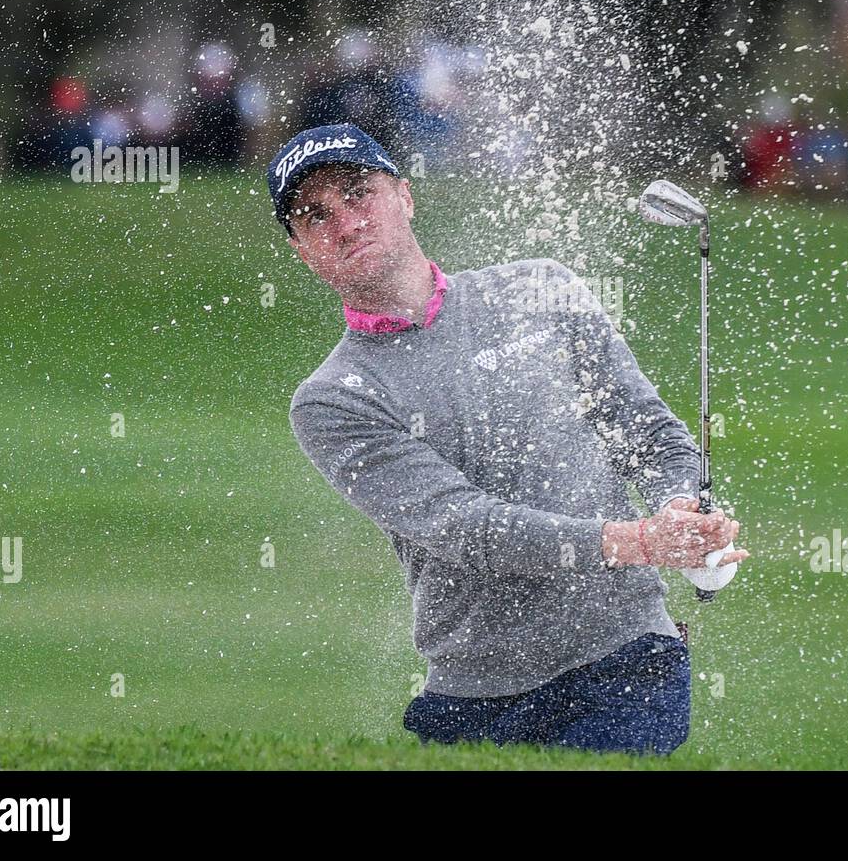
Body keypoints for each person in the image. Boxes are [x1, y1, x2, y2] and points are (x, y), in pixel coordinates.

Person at [270, 123, 748, 757]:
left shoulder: (539, 289)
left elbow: (650, 435)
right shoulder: (335, 398)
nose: (346, 222)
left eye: (359, 193)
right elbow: (468, 528)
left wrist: (682, 510)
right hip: (475, 697)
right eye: (314, 216)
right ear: (303, 250)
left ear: (405, 197)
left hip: (626, 661)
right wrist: (638, 541)